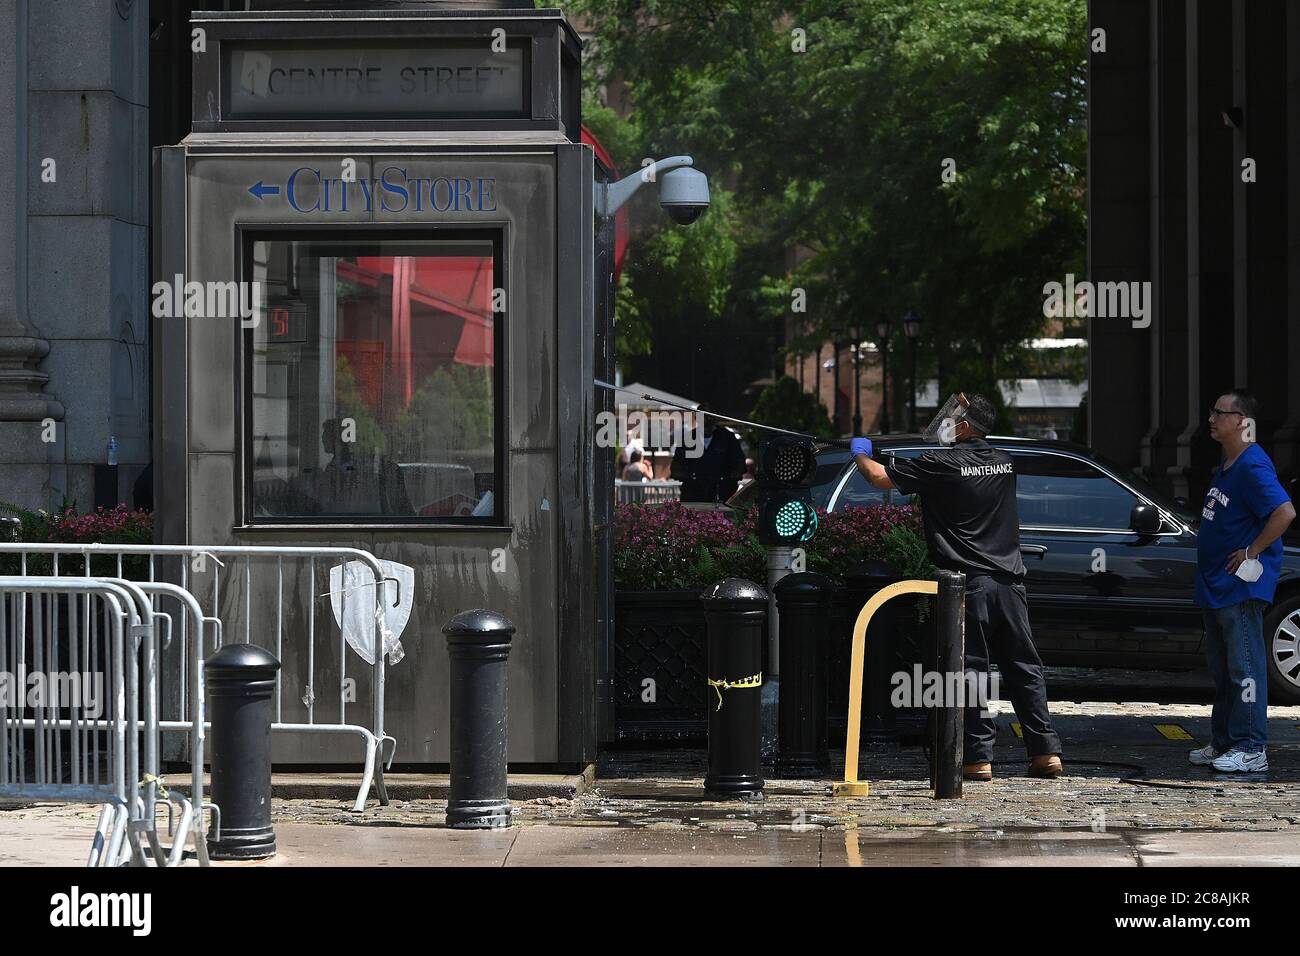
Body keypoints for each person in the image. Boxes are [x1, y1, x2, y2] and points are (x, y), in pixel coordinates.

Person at [849, 392, 1064, 780]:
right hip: (1011, 583)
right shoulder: (1003, 462)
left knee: (971, 674)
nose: (943, 423)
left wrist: (861, 452)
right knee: (1024, 669)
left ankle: (979, 758)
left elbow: (878, 477)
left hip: (970, 586)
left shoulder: (941, 465)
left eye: (951, 418)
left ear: (963, 427)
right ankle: (1045, 751)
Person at [1192, 389, 1296, 773]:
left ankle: (1251, 746)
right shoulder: (1229, 462)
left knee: (1245, 666)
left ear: (1242, 422)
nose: (1212, 418)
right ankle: (1224, 741)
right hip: (1218, 585)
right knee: (1223, 669)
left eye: (1221, 412)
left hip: (1240, 586)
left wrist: (1252, 550)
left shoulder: (1253, 465)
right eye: (1212, 410)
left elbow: (1284, 512)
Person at [670, 405, 746, 503]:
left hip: (722, 493)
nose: (706, 419)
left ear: (715, 417)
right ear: (696, 417)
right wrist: (683, 475)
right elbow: (677, 464)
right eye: (702, 416)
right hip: (693, 494)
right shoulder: (688, 438)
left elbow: (739, 462)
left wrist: (734, 474)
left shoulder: (727, 438)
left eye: (709, 415)